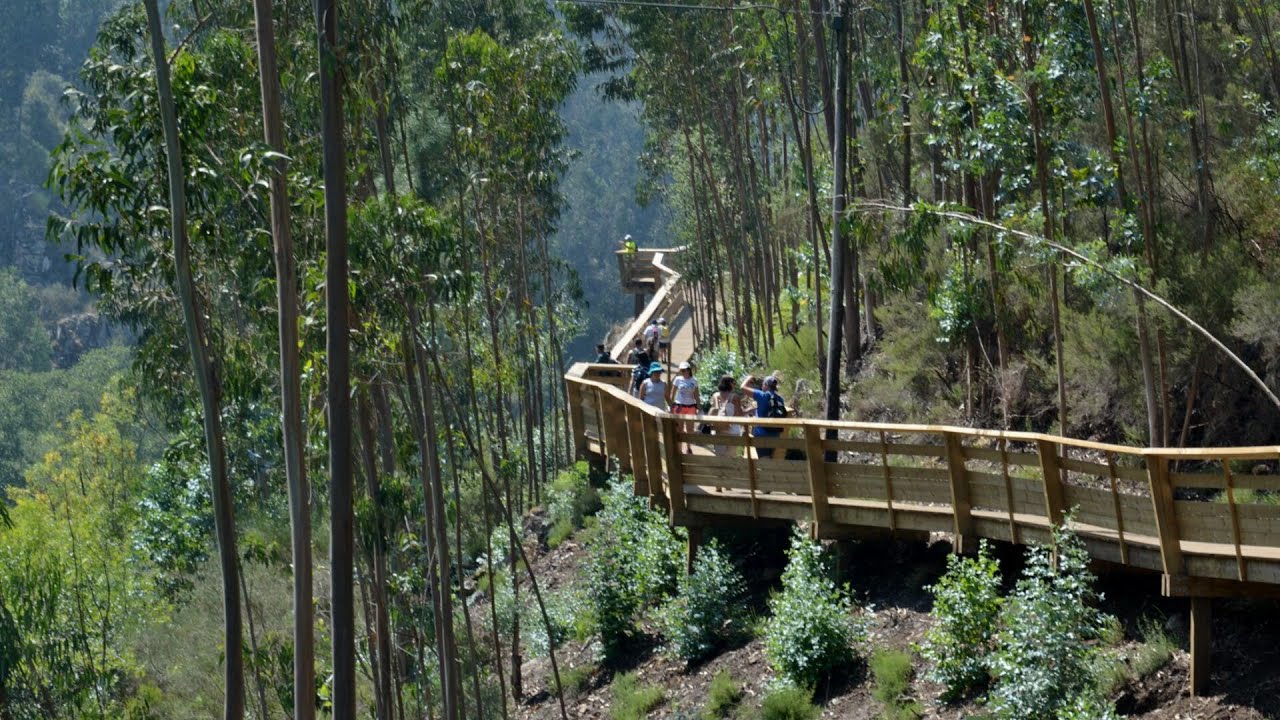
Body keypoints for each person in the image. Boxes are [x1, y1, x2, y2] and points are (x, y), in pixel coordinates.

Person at [747, 375, 787, 458]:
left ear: (766, 385)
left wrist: (748, 378)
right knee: (769, 458)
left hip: (761, 434)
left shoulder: (761, 395)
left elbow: (742, 387)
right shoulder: (780, 399)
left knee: (763, 461)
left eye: (763, 384)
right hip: (775, 434)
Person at [710, 374, 745, 457]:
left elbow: (714, 410)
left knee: (719, 455)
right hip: (733, 429)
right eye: (734, 383)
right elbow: (739, 415)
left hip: (719, 428)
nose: (735, 385)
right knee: (731, 456)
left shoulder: (716, 395)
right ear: (730, 384)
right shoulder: (735, 397)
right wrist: (749, 411)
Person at [670, 361, 700, 453]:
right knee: (680, 429)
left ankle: (689, 447)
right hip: (679, 406)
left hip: (691, 406)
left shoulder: (694, 380)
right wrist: (670, 406)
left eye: (684, 370)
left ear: (688, 370)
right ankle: (679, 449)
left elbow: (696, 395)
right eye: (681, 370)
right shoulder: (677, 379)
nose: (682, 372)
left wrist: (699, 407)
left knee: (690, 429)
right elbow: (672, 393)